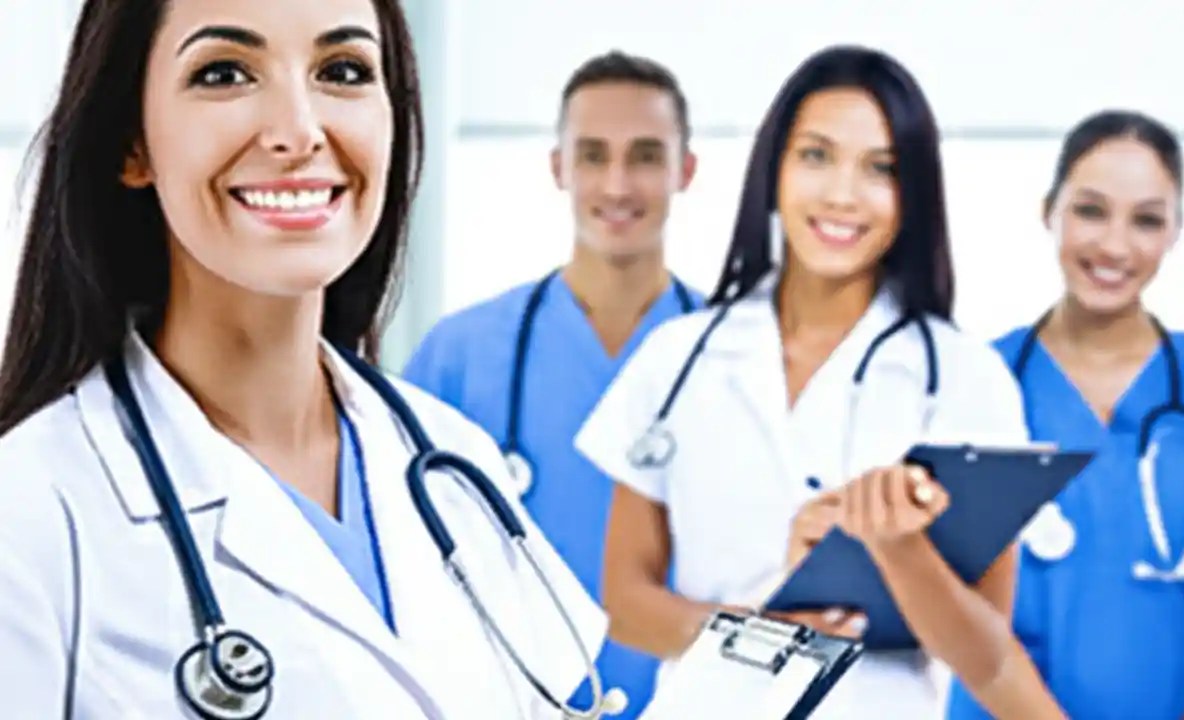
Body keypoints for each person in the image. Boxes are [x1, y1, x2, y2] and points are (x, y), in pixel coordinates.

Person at [0, 1, 612, 717]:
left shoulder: (454, 464)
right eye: (225, 73)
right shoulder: (35, 509)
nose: (299, 130)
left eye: (342, 70)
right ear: (132, 143)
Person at [573, 44, 1066, 719]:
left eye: (880, 169)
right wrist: (756, 630)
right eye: (816, 156)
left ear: (912, 194)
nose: (841, 194)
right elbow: (626, 601)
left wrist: (895, 547)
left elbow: (984, 654)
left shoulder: (960, 377)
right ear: (773, 166)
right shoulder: (678, 355)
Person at [947, 111, 1184, 720]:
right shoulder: (975, 382)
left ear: (1176, 232)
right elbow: (942, 603)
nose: (1115, 245)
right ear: (1049, 211)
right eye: (1091, 210)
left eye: (1147, 220)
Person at [401, 50, 701, 718]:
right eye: (593, 154)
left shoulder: (736, 360)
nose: (618, 184)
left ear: (685, 170)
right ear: (558, 167)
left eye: (646, 155)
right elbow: (402, 569)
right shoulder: (461, 354)